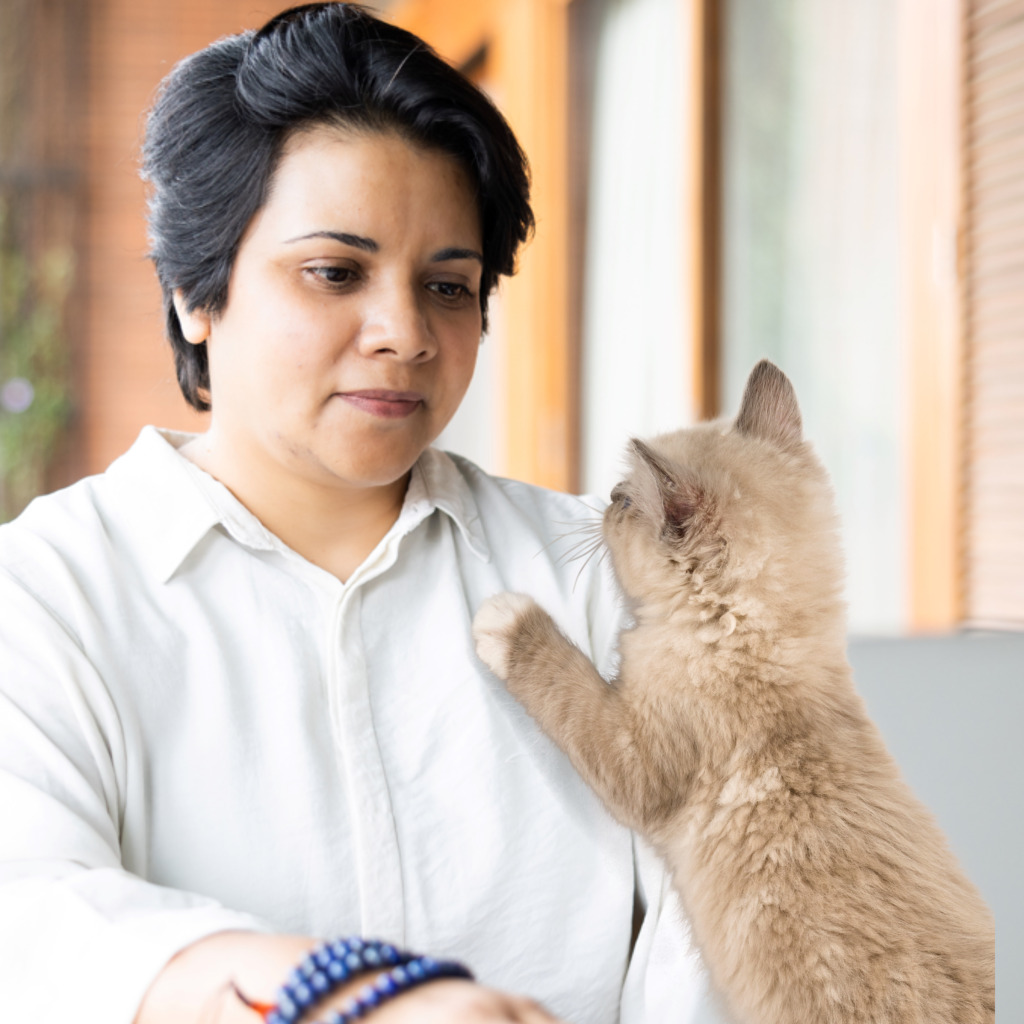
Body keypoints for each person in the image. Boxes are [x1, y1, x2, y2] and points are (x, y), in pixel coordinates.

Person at [0, 5, 700, 1023]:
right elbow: (33, 918)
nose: (405, 332)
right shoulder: (48, 595)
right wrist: (357, 1000)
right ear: (198, 292)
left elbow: (718, 927)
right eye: (335, 272)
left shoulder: (599, 580)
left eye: (448, 286)